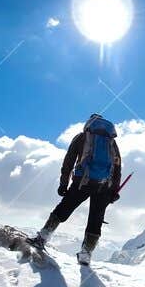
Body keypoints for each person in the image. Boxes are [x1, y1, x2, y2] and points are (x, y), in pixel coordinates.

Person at [32, 113, 121, 265]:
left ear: (89, 123)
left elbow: (69, 161)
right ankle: (86, 255)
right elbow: (117, 167)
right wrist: (114, 191)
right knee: (96, 219)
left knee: (64, 208)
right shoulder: (111, 142)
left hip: (83, 182)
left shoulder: (82, 137)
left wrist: (63, 183)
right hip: (104, 186)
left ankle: (42, 238)